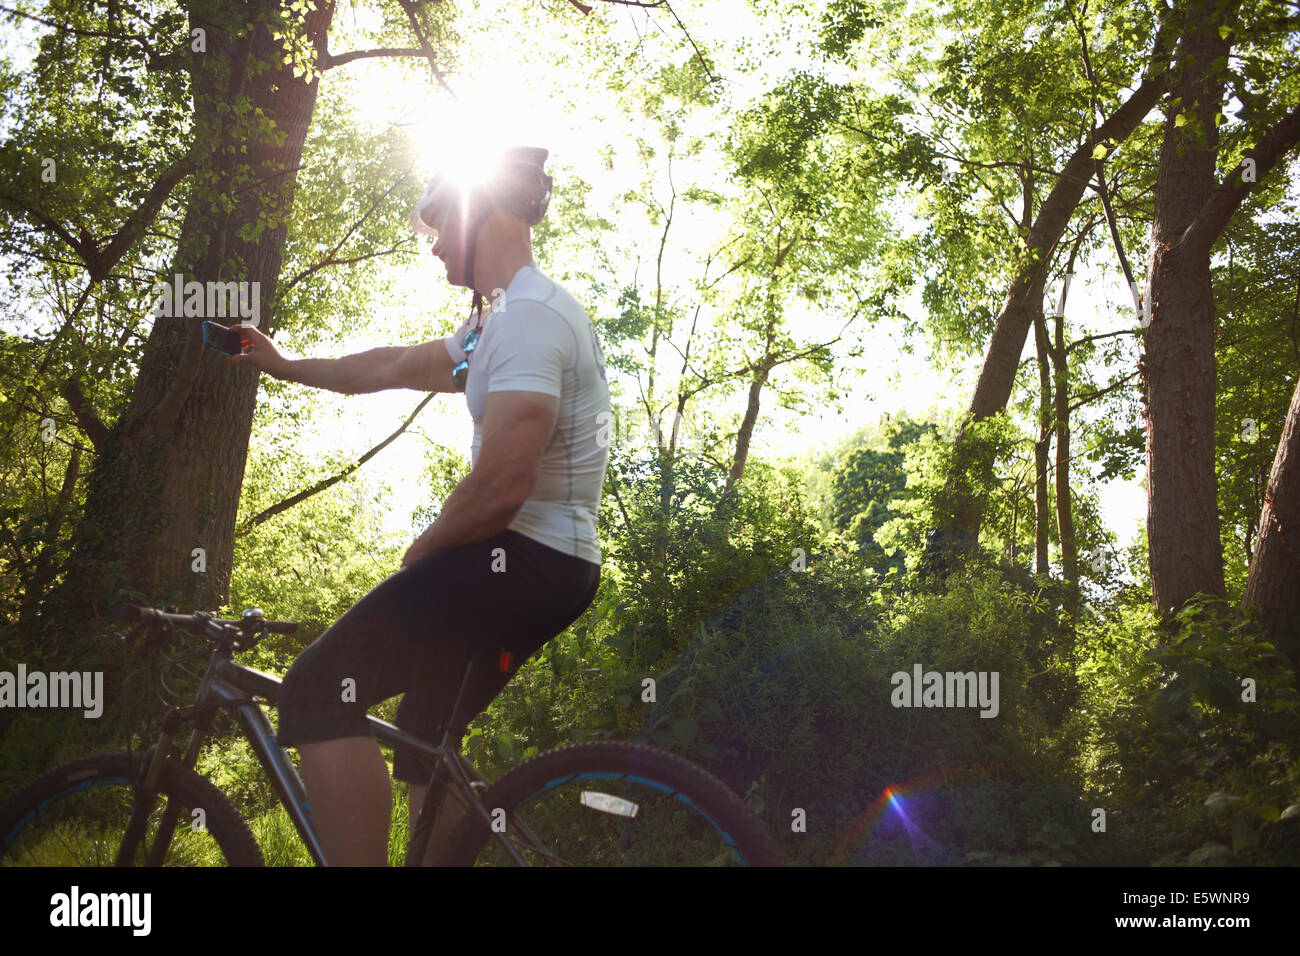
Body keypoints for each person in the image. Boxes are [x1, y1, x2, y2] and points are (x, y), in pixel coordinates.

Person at [225, 145, 611, 865]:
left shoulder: (531, 320)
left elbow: (503, 486)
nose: (434, 244)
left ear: (482, 215)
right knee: (425, 746)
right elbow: (388, 366)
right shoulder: (493, 327)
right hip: (549, 568)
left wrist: (427, 547)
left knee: (314, 691)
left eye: (439, 223)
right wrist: (279, 362)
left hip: (521, 561)